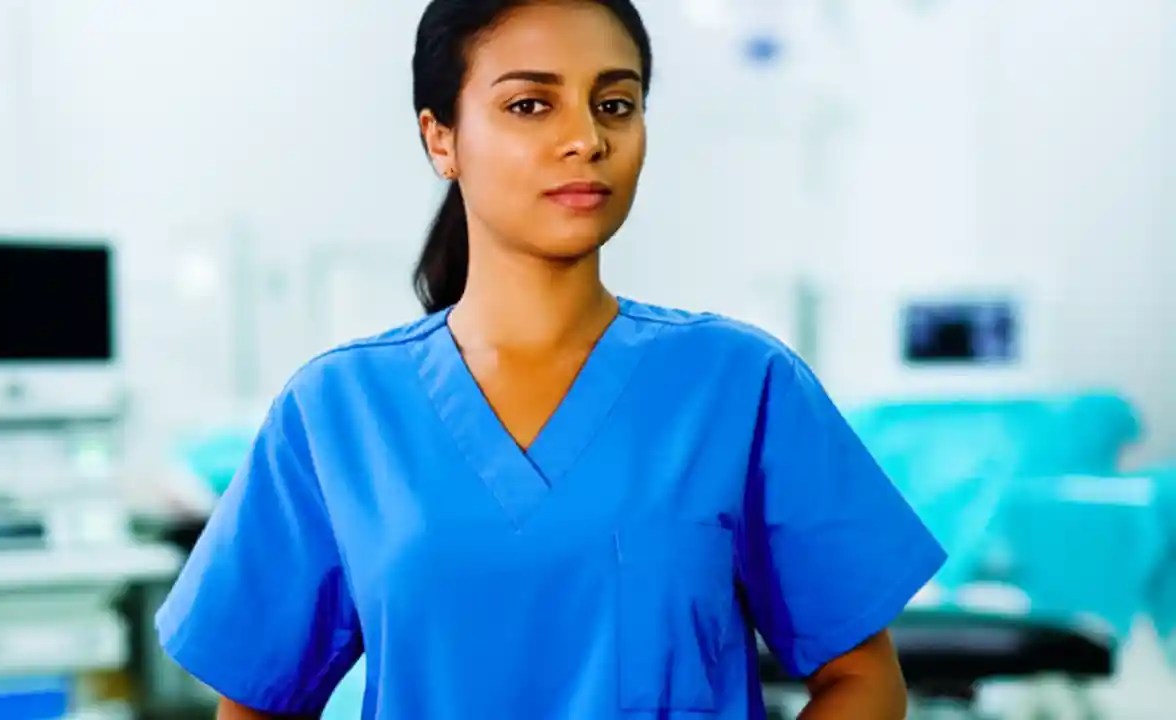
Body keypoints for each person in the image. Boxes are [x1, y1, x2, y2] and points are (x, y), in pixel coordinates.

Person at [154, 1, 947, 718]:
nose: (586, 139)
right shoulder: (336, 411)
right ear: (441, 138)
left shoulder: (742, 386)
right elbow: (256, 708)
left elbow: (863, 682)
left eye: (615, 104)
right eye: (530, 104)